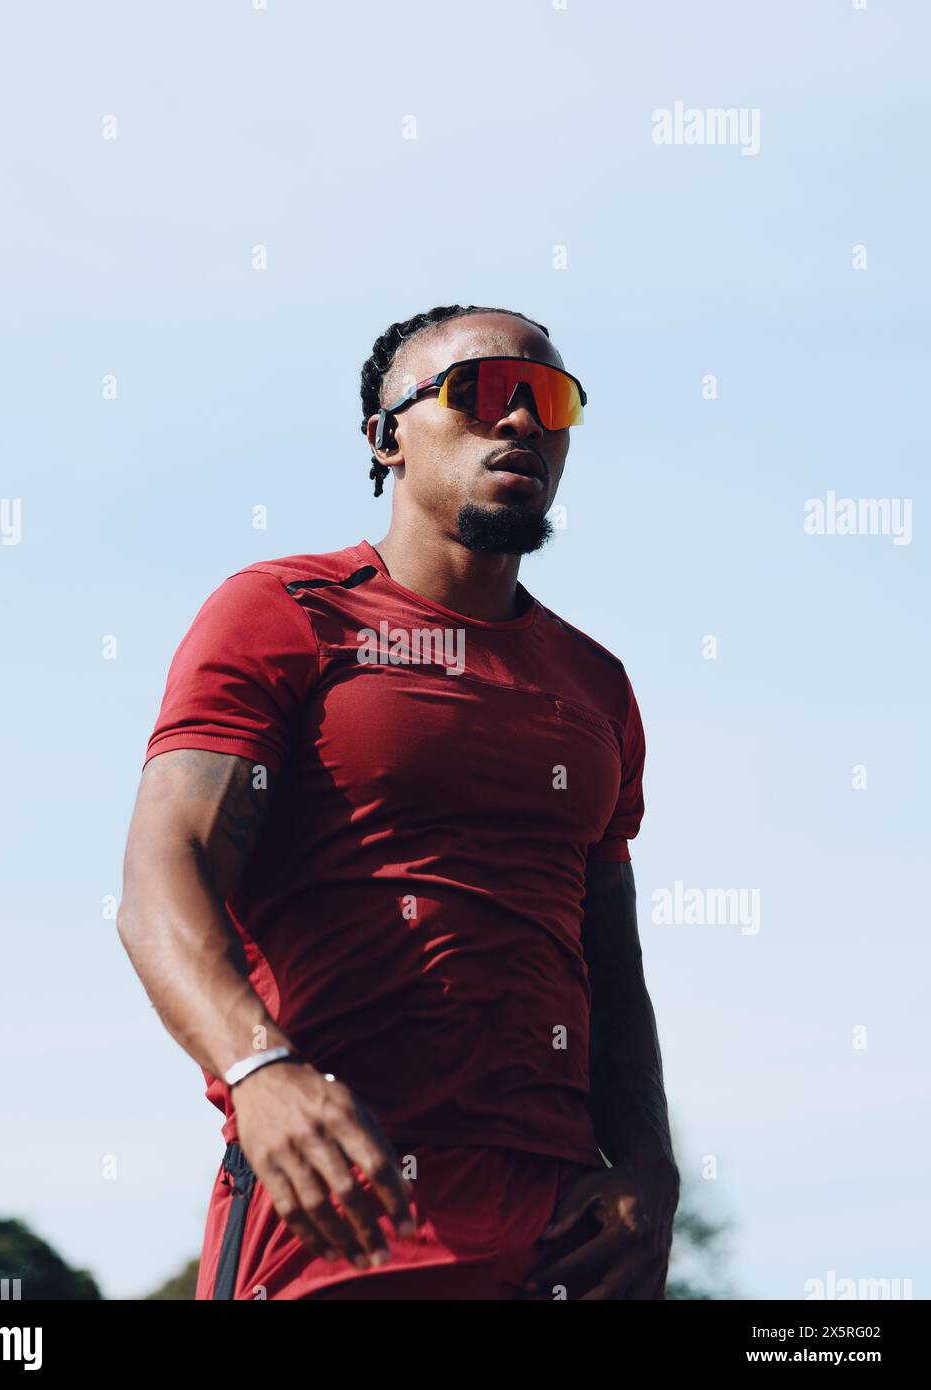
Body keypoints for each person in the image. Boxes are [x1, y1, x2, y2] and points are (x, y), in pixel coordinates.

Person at [117, 303, 680, 1301]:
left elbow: (610, 961)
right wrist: (257, 1070)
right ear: (385, 439)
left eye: (547, 400)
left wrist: (646, 1167)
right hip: (343, 1213)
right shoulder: (284, 612)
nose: (519, 423)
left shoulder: (595, 684)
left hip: (561, 1239)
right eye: (479, 393)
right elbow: (166, 880)